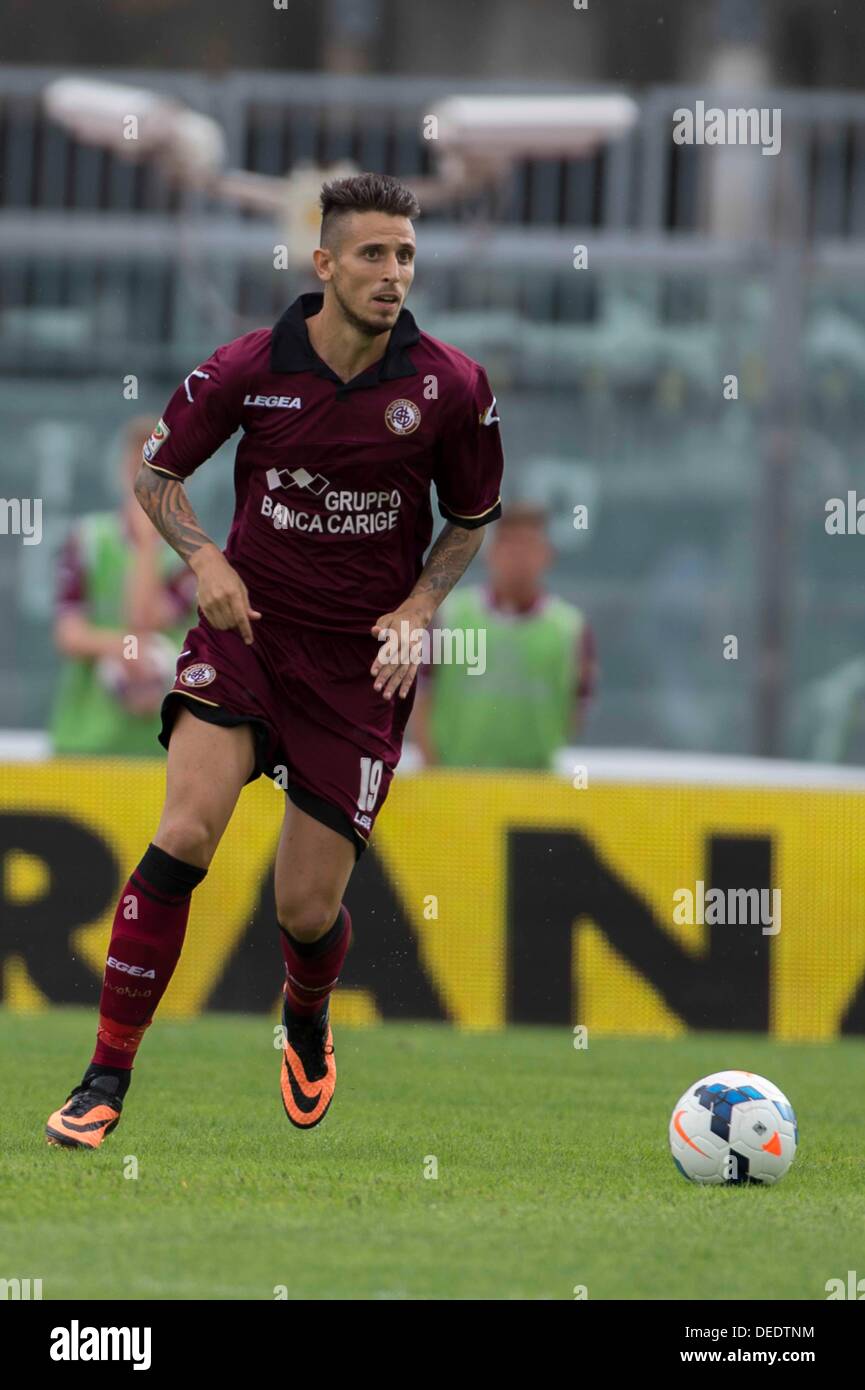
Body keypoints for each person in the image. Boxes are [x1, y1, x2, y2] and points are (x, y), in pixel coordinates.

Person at [44, 171, 504, 1147]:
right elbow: (158, 473)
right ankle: (103, 1077)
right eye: (373, 254)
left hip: (358, 671)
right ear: (324, 262)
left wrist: (419, 607)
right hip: (246, 638)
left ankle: (304, 1013)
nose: (393, 273)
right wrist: (206, 560)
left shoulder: (451, 386)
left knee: (304, 908)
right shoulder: (248, 367)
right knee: (185, 835)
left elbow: (469, 518)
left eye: (406, 255)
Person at [50, 417, 198, 755]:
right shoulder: (88, 540)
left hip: (160, 748)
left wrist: (147, 543)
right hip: (87, 743)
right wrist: (123, 647)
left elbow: (143, 619)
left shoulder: (194, 556)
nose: (144, 488)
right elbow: (69, 635)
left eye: (158, 478)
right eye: (137, 472)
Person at [412, 503, 596, 768]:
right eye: (510, 544)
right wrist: (433, 770)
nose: (519, 556)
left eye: (529, 545)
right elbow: (420, 700)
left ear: (547, 555)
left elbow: (576, 711)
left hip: (536, 786)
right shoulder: (449, 617)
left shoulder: (570, 629)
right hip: (455, 783)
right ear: (491, 552)